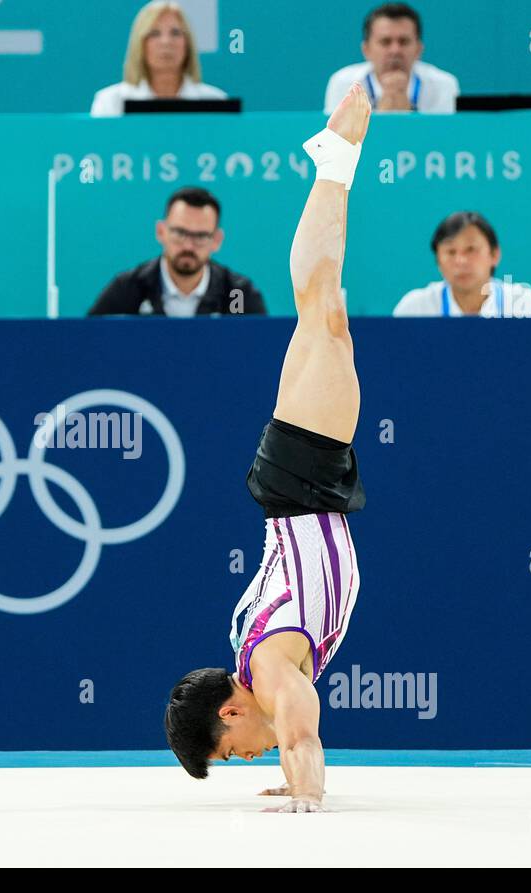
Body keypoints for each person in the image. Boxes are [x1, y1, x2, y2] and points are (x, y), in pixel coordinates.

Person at [164, 84, 373, 812]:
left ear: (230, 710)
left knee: (322, 301)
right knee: (324, 307)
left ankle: (335, 158)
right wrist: (290, 769)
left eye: (229, 751)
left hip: (300, 488)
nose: (241, 757)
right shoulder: (258, 659)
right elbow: (289, 735)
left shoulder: (272, 670)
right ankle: (333, 162)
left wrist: (305, 796)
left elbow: (302, 735)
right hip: (299, 490)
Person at [87, 187, 266, 316]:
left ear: (217, 240)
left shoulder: (237, 293)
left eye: (201, 236)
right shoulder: (128, 289)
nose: (188, 246)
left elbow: (259, 350)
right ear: (161, 232)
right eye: (180, 233)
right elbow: (92, 344)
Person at [393, 211, 531, 317]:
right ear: (438, 260)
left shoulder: (527, 306)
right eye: (451, 252)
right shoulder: (415, 309)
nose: (461, 261)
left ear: (494, 254)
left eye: (471, 249)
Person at [90, 1, 227, 117]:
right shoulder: (111, 103)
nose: (166, 42)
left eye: (175, 33)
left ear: (188, 43)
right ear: (140, 44)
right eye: (154, 33)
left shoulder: (216, 102)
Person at [323, 3, 459, 114]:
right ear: (366, 50)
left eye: (404, 41)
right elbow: (336, 143)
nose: (395, 51)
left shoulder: (443, 85)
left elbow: (444, 141)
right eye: (385, 42)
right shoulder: (344, 83)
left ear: (418, 49)